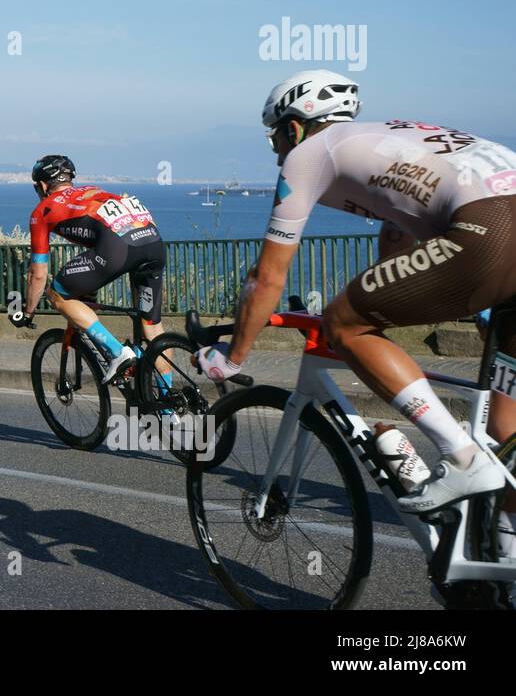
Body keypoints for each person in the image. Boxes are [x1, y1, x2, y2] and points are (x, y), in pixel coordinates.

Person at [196, 70, 516, 528]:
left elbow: (267, 277)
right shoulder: (391, 136)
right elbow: (397, 234)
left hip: (491, 233)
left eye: (275, 140)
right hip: (498, 238)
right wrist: (380, 317)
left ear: (294, 127)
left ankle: (461, 458)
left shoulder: (308, 154)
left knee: (342, 322)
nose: (277, 152)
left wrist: (233, 357)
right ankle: (502, 565)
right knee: (507, 432)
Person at [12, 155, 169, 385]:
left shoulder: (42, 211)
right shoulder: (91, 191)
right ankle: (169, 407)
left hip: (119, 249)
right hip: (153, 242)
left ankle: (118, 353)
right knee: (152, 328)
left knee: (56, 293)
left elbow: (38, 273)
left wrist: (28, 312)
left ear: (43, 186)